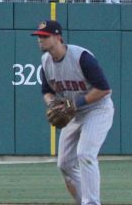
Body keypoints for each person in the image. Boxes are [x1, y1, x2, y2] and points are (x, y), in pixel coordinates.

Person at [32, 20, 114, 205]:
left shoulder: (81, 57)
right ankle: (83, 201)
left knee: (85, 154)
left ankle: (91, 203)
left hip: (97, 109)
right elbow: (47, 91)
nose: (40, 40)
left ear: (58, 37)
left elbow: (104, 89)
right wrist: (52, 104)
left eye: (45, 36)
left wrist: (75, 103)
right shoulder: (46, 61)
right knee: (65, 164)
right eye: (39, 36)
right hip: (73, 114)